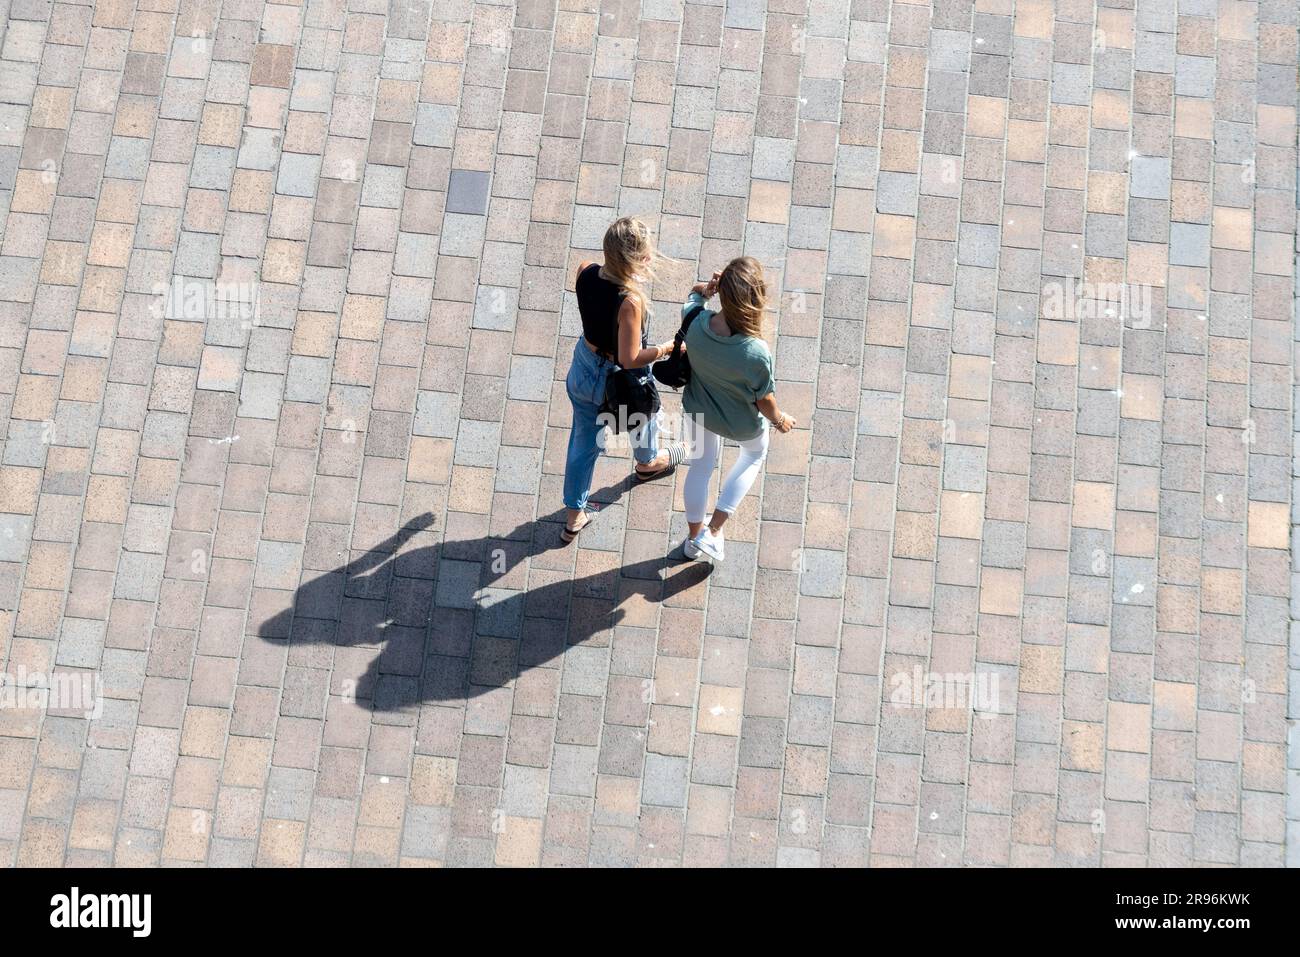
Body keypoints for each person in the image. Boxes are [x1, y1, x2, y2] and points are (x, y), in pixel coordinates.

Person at [561, 217, 686, 543]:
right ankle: (648, 462)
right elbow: (629, 358)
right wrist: (665, 349)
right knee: (645, 416)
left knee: (584, 442)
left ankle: (574, 515)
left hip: (583, 366)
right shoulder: (630, 302)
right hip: (615, 379)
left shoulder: (585, 269)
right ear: (638, 260)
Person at [680, 257, 796, 562]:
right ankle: (713, 531)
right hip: (742, 424)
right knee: (754, 455)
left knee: (700, 468)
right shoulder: (756, 353)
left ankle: (693, 541)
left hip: (698, 412)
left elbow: (693, 296)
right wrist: (780, 420)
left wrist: (708, 290)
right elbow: (764, 401)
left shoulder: (693, 320)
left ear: (722, 292)